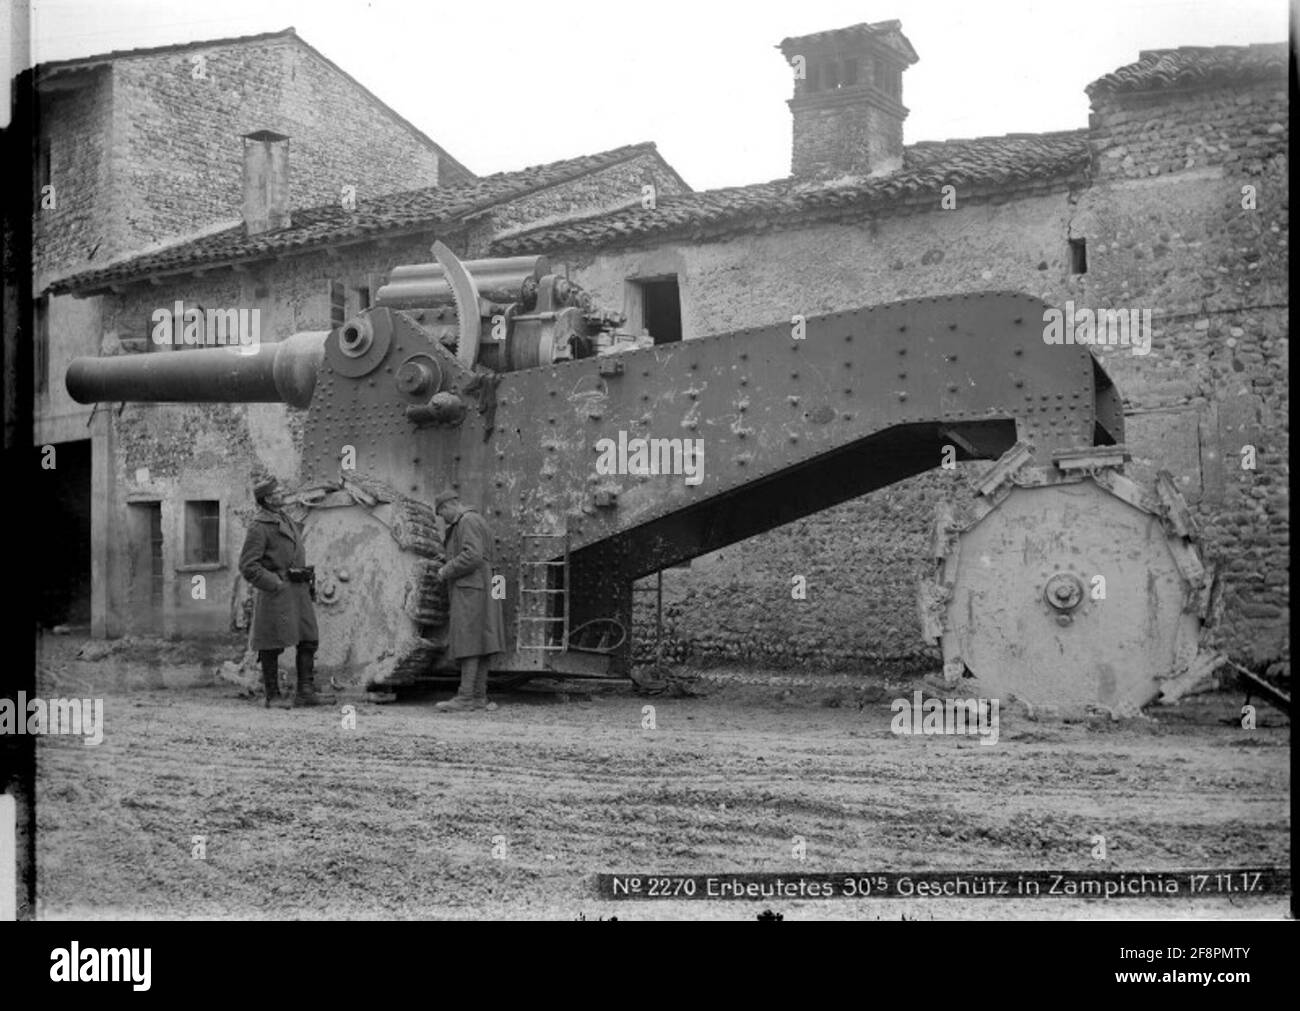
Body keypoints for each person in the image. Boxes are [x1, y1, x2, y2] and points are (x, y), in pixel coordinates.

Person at [238, 474, 321, 708]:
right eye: (277, 494)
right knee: (271, 644)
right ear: (266, 500)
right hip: (277, 592)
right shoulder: (259, 527)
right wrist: (274, 583)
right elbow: (248, 565)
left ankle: (305, 692)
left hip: (298, 589)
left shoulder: (285, 518)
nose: (282, 495)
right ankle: (272, 695)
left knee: (309, 639)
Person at [434, 491, 506, 712]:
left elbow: (472, 555)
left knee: (468, 641)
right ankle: (478, 696)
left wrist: (446, 569)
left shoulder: (466, 520)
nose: (443, 519)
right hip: (483, 586)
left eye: (442, 513)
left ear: (449, 506)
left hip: (471, 589)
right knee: (481, 641)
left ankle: (465, 698)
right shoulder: (476, 519)